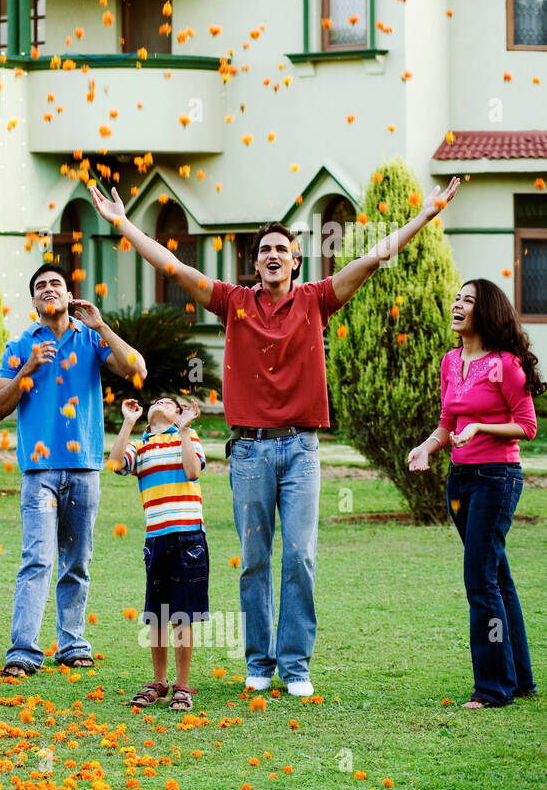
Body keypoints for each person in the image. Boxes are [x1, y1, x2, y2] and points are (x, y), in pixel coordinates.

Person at [90, 176, 461, 696]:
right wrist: (124, 223)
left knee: (302, 556)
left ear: (295, 262)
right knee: (256, 558)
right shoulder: (232, 302)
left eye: (280, 250)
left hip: (302, 449)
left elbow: (373, 258)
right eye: (263, 249)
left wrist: (426, 215)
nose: (270, 256)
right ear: (255, 262)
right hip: (249, 451)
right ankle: (259, 662)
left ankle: (295, 665)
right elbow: (174, 267)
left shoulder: (316, 301)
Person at [0, 263, 146, 676]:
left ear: (69, 294)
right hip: (38, 472)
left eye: (55, 283)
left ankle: (72, 642)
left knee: (76, 562)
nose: (47, 289)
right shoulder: (20, 345)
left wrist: (102, 325)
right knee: (37, 560)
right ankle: (23, 651)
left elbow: (137, 370)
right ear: (35, 300)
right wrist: (28, 369)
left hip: (84, 469)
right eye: (39, 286)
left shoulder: (91, 339)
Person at [407, 279, 541, 708]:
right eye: (457, 298)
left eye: (467, 301)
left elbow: (528, 426)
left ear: (485, 313)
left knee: (480, 581)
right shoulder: (451, 361)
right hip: (460, 481)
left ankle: (493, 687)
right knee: (497, 578)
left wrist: (482, 427)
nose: (456, 305)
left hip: (497, 479)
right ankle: (518, 678)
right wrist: (426, 448)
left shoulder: (506, 365)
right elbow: (447, 424)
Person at [110, 396, 209, 712]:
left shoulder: (188, 437)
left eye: (168, 402)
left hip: (189, 538)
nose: (159, 402)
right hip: (156, 539)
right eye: (156, 400)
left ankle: (182, 684)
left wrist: (183, 432)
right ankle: (159, 681)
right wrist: (128, 422)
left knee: (183, 613)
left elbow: (192, 472)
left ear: (178, 414)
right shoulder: (140, 447)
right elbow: (115, 465)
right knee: (157, 614)